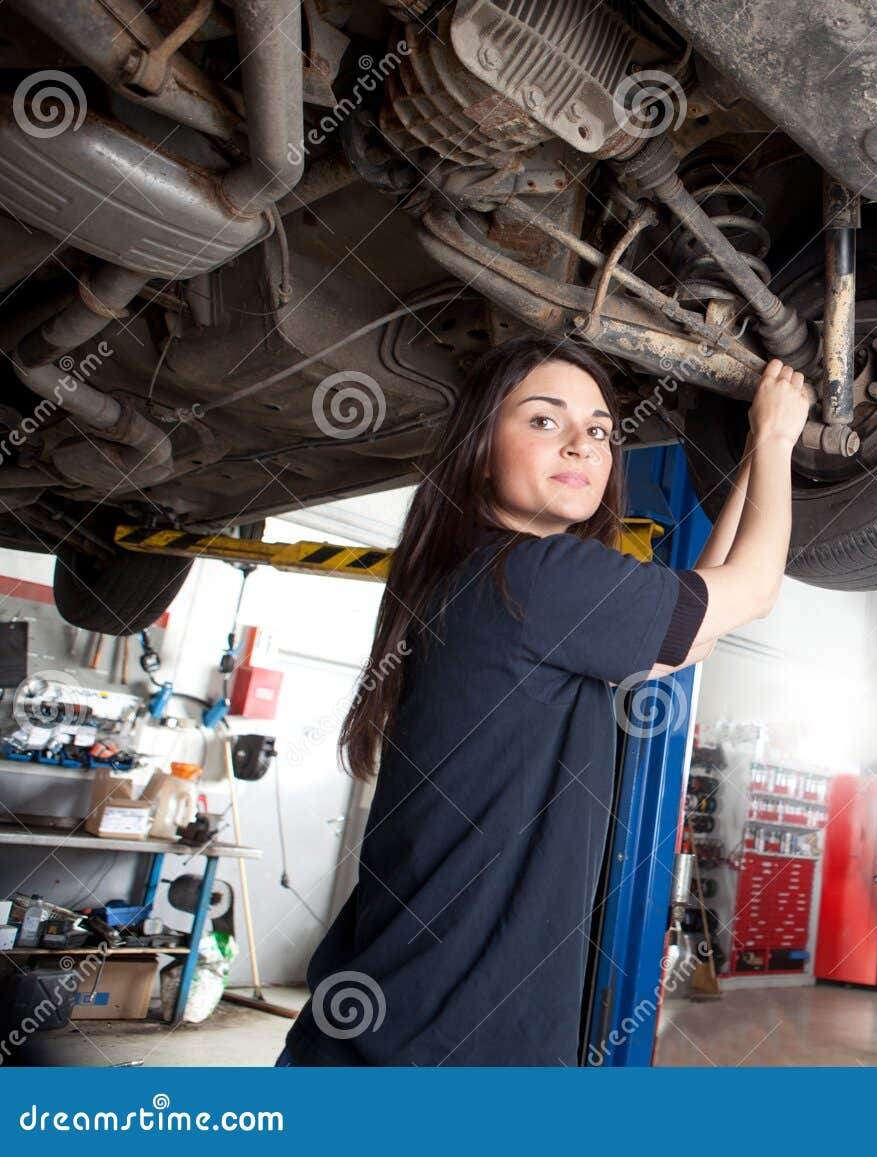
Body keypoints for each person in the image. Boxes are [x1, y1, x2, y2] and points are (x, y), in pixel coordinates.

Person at [275, 335, 812, 1065]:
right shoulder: (535, 578)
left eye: (598, 429)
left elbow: (695, 634)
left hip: (398, 1039)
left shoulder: (487, 581)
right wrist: (780, 438)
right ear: (479, 444)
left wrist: (753, 448)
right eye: (542, 420)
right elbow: (752, 591)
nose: (582, 445)